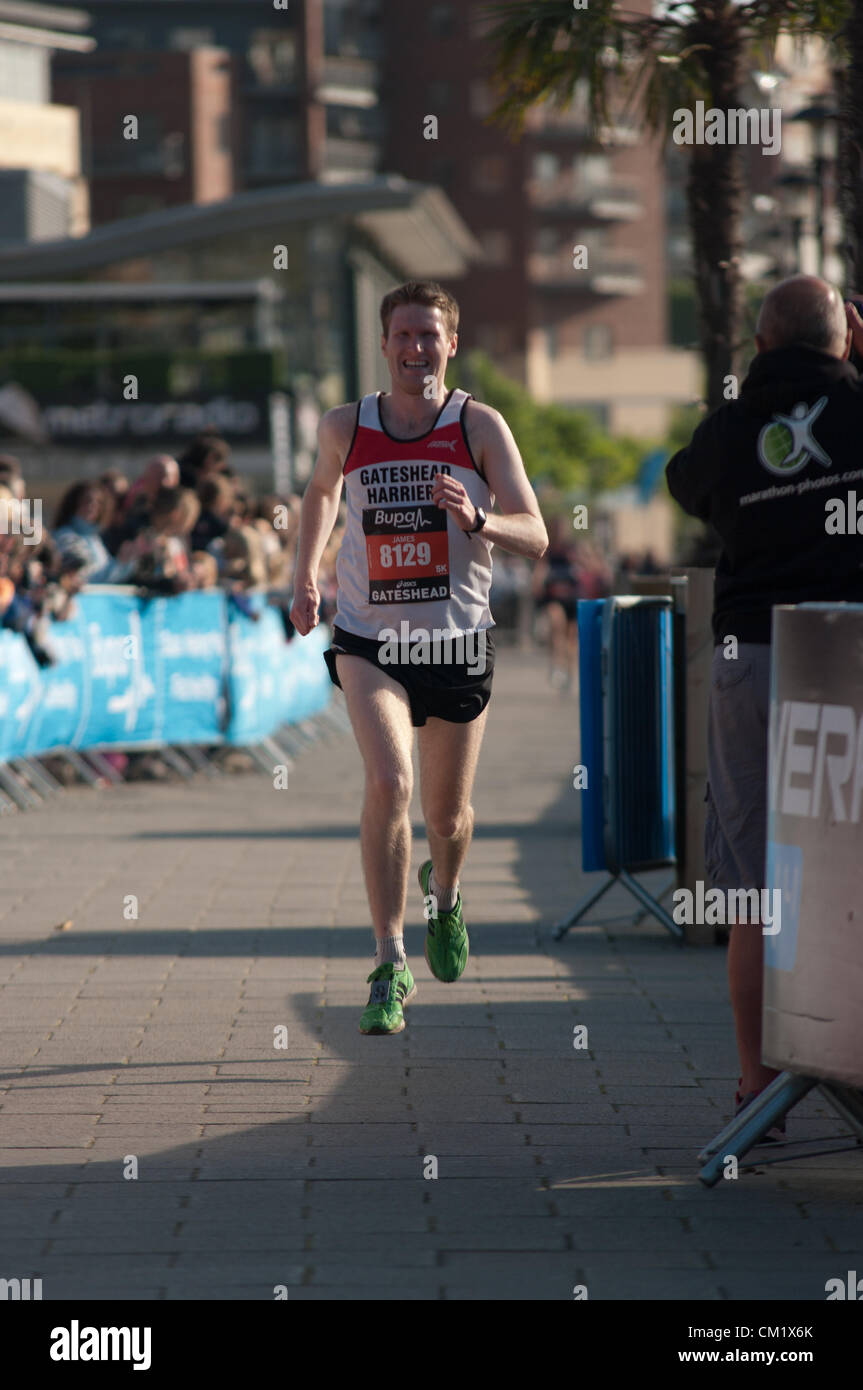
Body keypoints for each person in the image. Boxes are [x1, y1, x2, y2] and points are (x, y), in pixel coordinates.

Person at [290, 279, 548, 1035]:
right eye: (402, 335)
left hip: (456, 641)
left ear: (451, 344)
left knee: (448, 812)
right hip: (370, 641)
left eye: (428, 336)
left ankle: (448, 896)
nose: (414, 349)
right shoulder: (347, 425)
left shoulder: (479, 425)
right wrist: (304, 573)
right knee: (388, 780)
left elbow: (537, 532)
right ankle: (388, 960)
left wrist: (481, 519)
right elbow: (318, 494)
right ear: (383, 344)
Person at [666, 273, 863, 1135]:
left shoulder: (731, 427)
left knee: (750, 886)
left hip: (751, 656)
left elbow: (685, 484)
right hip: (849, 658)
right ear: (846, 336)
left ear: (756, 346)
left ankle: (757, 1087)